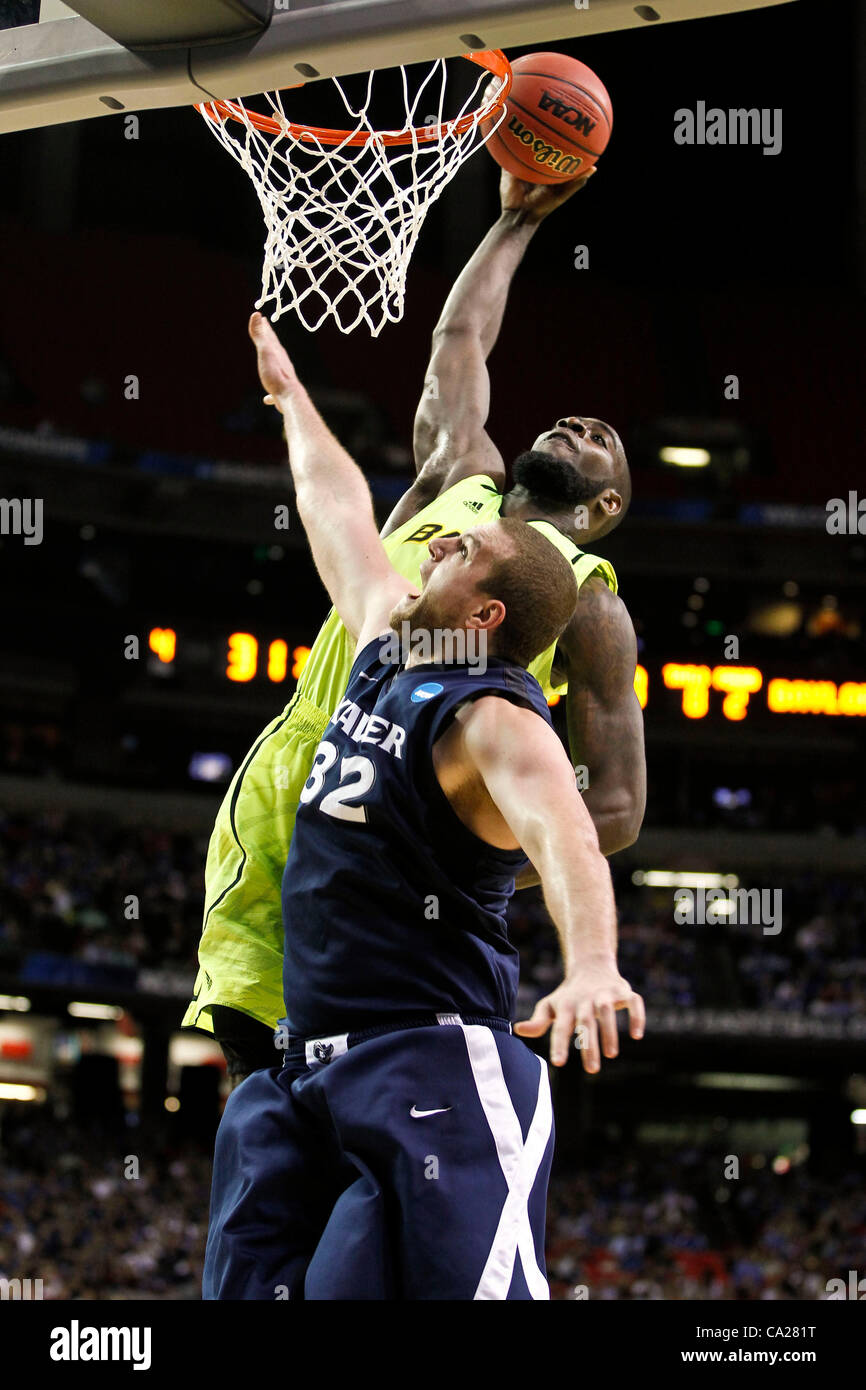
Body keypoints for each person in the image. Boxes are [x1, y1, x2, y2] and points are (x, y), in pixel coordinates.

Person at [202, 315, 645, 1301]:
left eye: (457, 549)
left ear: (483, 613)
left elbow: (571, 832)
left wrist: (592, 964)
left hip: (426, 1065)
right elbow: (337, 513)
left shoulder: (492, 717)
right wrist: (293, 404)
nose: (437, 535)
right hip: (299, 1069)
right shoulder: (385, 642)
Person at [183, 170, 645, 1084]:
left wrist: (443, 861)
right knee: (261, 1090)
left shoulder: (590, 602)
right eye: (572, 419)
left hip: (400, 826)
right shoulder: (457, 477)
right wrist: (515, 218)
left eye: (602, 439)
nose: (580, 422)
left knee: (360, 1101)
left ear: (608, 504)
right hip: (290, 778)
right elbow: (460, 339)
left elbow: (617, 810)